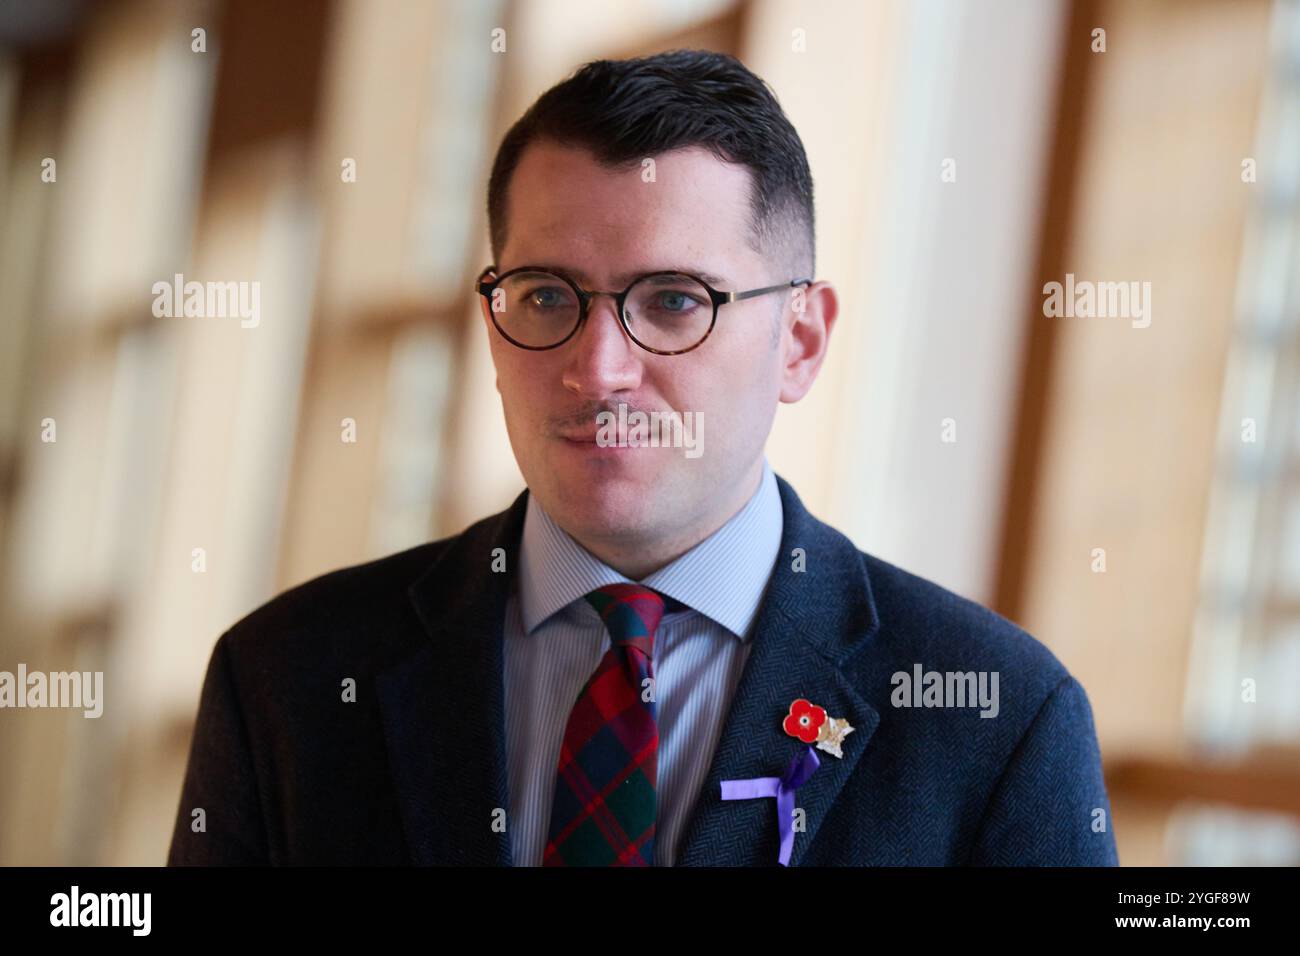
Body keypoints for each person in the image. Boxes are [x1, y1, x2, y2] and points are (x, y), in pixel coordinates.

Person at [168, 49, 1118, 866]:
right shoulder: (286, 679)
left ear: (799, 341)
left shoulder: (999, 720)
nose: (600, 369)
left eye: (672, 299)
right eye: (546, 297)